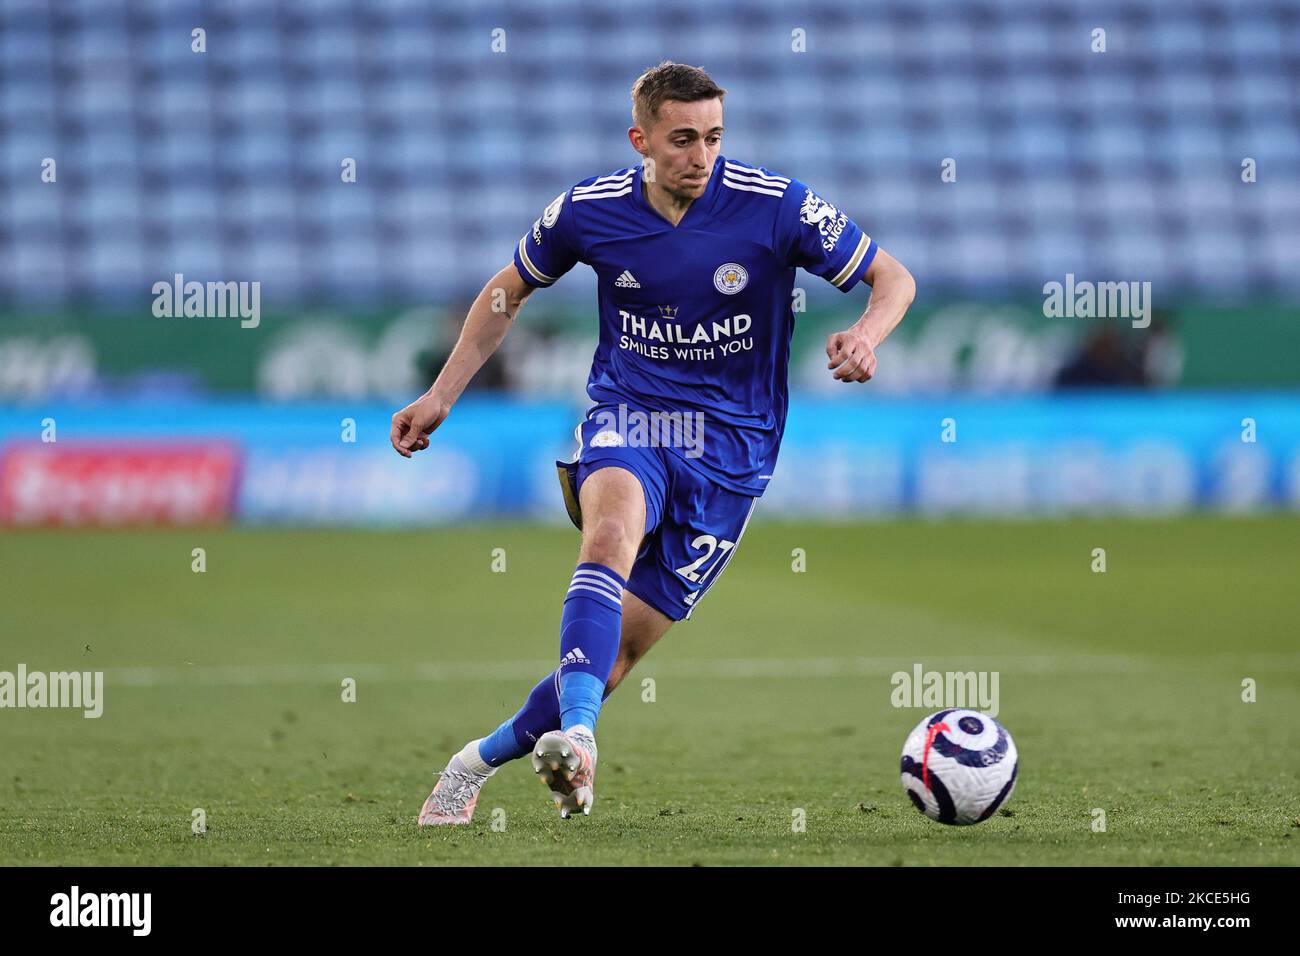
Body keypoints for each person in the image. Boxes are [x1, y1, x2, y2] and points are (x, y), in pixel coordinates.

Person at [390, 61, 916, 823]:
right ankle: (581, 740)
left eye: (713, 137)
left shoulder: (778, 207)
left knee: (616, 658)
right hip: (632, 415)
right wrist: (441, 395)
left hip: (735, 451)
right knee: (607, 536)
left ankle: (472, 763)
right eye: (681, 140)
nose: (701, 155)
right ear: (641, 138)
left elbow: (893, 278)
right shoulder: (588, 211)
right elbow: (507, 291)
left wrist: (868, 337)